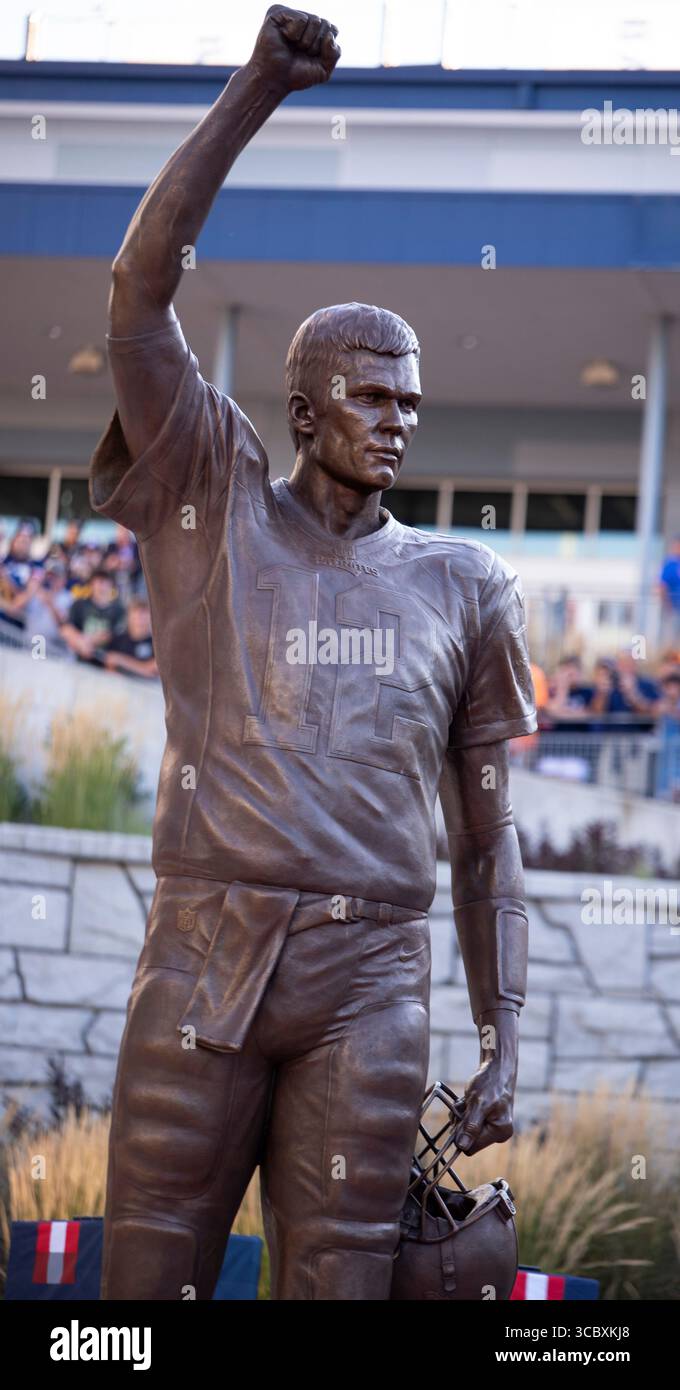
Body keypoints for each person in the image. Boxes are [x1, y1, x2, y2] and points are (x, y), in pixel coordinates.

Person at [89, 5, 536, 1303]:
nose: (398, 421)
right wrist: (256, 89)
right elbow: (137, 287)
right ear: (302, 409)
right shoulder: (210, 493)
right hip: (204, 946)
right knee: (145, 1289)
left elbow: (490, 827)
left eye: (411, 400)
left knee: (339, 1283)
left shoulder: (468, 581)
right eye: (371, 396)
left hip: (372, 975)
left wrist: (506, 1030)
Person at [61, 568, 125, 663]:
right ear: (91, 584)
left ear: (112, 585)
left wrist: (87, 643)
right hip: (77, 657)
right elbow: (66, 628)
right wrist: (80, 643)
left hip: (104, 662)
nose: (102, 587)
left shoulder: (118, 610)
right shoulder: (80, 604)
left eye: (106, 582)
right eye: (99, 582)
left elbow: (112, 634)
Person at [102, 597, 157, 678]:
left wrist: (120, 660)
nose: (140, 619)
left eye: (144, 614)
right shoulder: (117, 640)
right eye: (136, 613)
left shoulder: (157, 645)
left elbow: (152, 670)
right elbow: (109, 665)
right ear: (128, 616)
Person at [659, 535, 680, 644]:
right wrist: (666, 604)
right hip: (675, 607)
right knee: (673, 636)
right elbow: (662, 585)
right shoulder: (670, 564)